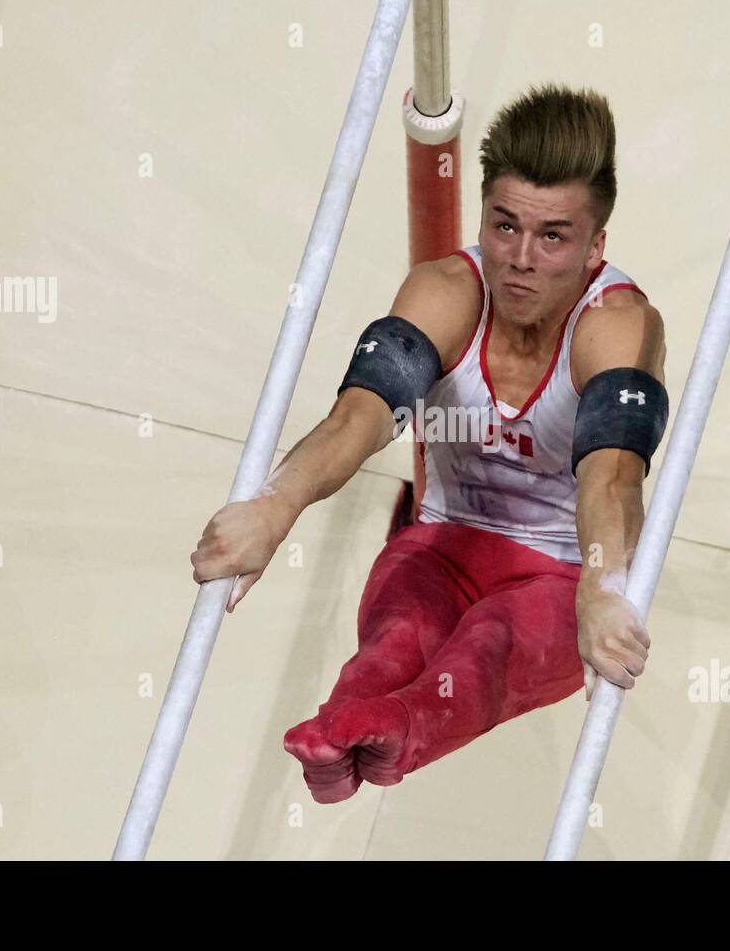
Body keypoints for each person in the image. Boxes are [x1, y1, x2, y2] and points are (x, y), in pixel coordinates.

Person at [190, 83, 668, 804]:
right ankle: (339, 731)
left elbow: (611, 479)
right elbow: (360, 418)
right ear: (481, 216)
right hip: (443, 544)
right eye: (503, 227)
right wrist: (273, 507)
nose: (521, 260)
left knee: (488, 648)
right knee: (397, 641)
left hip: (559, 574)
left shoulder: (619, 325)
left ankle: (389, 733)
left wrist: (603, 591)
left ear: (596, 246)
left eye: (553, 237)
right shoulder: (445, 289)